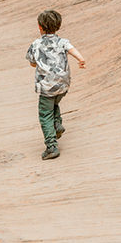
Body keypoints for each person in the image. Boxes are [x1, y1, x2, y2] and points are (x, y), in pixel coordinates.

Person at [26, 9, 85, 160]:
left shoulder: (36, 44)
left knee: (45, 113)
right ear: (58, 25)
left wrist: (39, 64)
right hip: (63, 85)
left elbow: (32, 63)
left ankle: (51, 146)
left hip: (46, 86)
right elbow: (72, 50)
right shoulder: (62, 42)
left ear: (40, 27)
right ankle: (57, 125)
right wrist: (80, 59)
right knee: (53, 103)